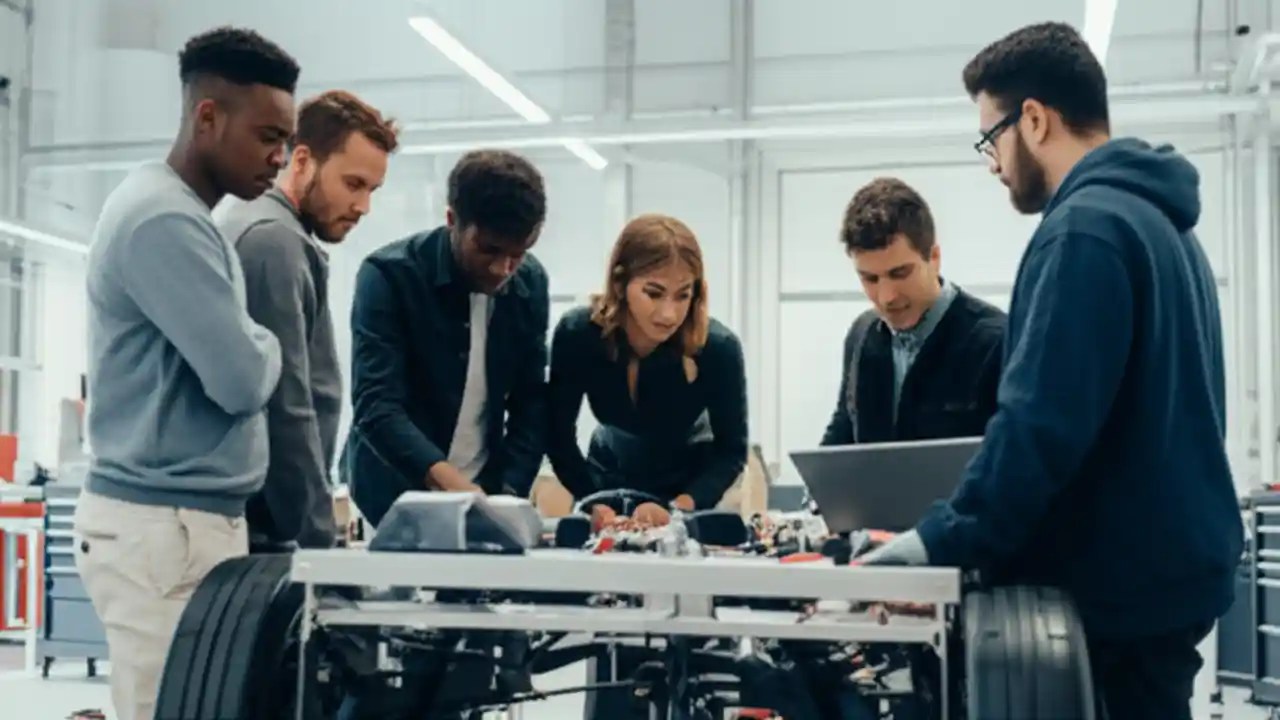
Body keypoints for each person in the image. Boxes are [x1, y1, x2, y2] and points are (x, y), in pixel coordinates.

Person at [860, 22, 1243, 720]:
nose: (993, 163)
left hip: (1119, 591)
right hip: (1170, 577)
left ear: (1032, 119)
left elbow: (1041, 426)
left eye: (990, 138)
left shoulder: (1084, 231)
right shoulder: (1163, 224)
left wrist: (938, 544)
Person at [73, 27, 298, 720]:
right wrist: (268, 343)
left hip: (182, 523)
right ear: (208, 117)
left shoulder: (186, 216)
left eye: (286, 140)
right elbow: (241, 377)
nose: (279, 157)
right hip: (158, 528)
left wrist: (249, 339)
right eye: (267, 135)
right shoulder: (162, 220)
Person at [545, 214, 748, 720]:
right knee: (613, 632)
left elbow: (732, 451)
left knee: (682, 639)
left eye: (684, 294)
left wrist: (678, 508)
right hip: (605, 474)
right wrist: (594, 502)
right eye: (654, 292)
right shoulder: (578, 334)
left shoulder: (717, 348)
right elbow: (555, 433)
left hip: (686, 481)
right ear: (621, 283)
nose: (668, 312)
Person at [218, 90, 399, 551]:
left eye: (372, 190)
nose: (363, 206)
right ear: (302, 161)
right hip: (263, 531)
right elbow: (286, 404)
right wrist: (318, 538)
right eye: (353, 184)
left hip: (263, 522)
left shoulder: (269, 230)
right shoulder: (273, 242)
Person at [342, 149, 550, 527]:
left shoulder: (530, 283)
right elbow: (377, 406)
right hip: (391, 500)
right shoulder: (389, 276)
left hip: (487, 493)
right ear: (452, 220)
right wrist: (458, 490)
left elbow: (531, 405)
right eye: (489, 249)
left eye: (519, 254)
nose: (503, 268)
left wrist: (505, 499)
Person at [821, 177, 1005, 447]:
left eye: (900, 273)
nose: (887, 298)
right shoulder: (861, 334)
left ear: (934, 258)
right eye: (870, 279)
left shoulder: (998, 341)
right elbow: (843, 431)